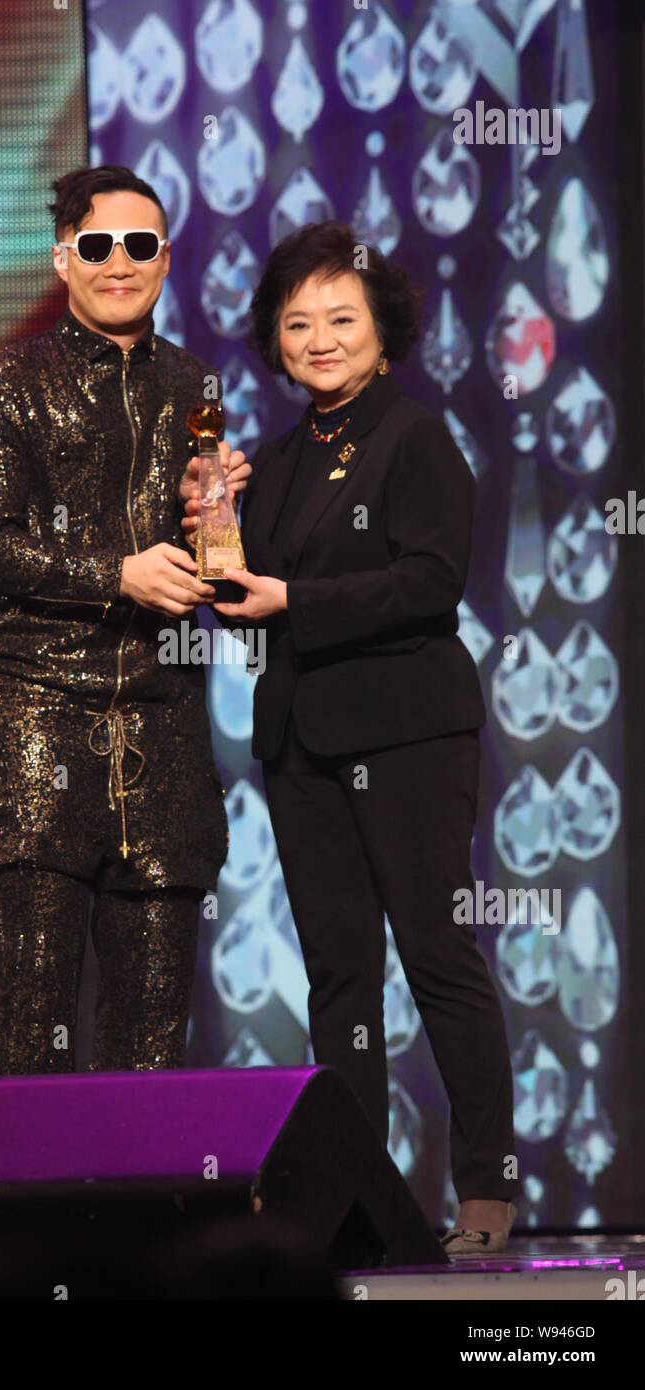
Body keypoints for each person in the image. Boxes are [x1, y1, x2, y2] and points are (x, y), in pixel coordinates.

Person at [183, 221, 521, 1254]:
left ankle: (486, 1192)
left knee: (433, 953)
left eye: (340, 318)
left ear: (383, 332)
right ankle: (355, 1205)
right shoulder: (273, 460)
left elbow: (428, 582)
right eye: (296, 322)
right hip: (302, 743)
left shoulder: (415, 438)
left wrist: (296, 595)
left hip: (408, 733)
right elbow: (237, 600)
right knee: (336, 973)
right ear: (273, 341)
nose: (318, 338)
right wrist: (214, 523)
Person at [0, 164, 250, 1078]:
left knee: (153, 1040)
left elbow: (210, 566)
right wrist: (116, 574)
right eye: (100, 246)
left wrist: (216, 521)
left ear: (166, 259)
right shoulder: (2, 382)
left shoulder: (197, 384)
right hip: (38, 715)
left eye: (142, 246)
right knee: (31, 1028)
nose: (122, 264)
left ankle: (146, 1223)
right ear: (63, 259)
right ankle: (21, 1222)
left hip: (163, 724)